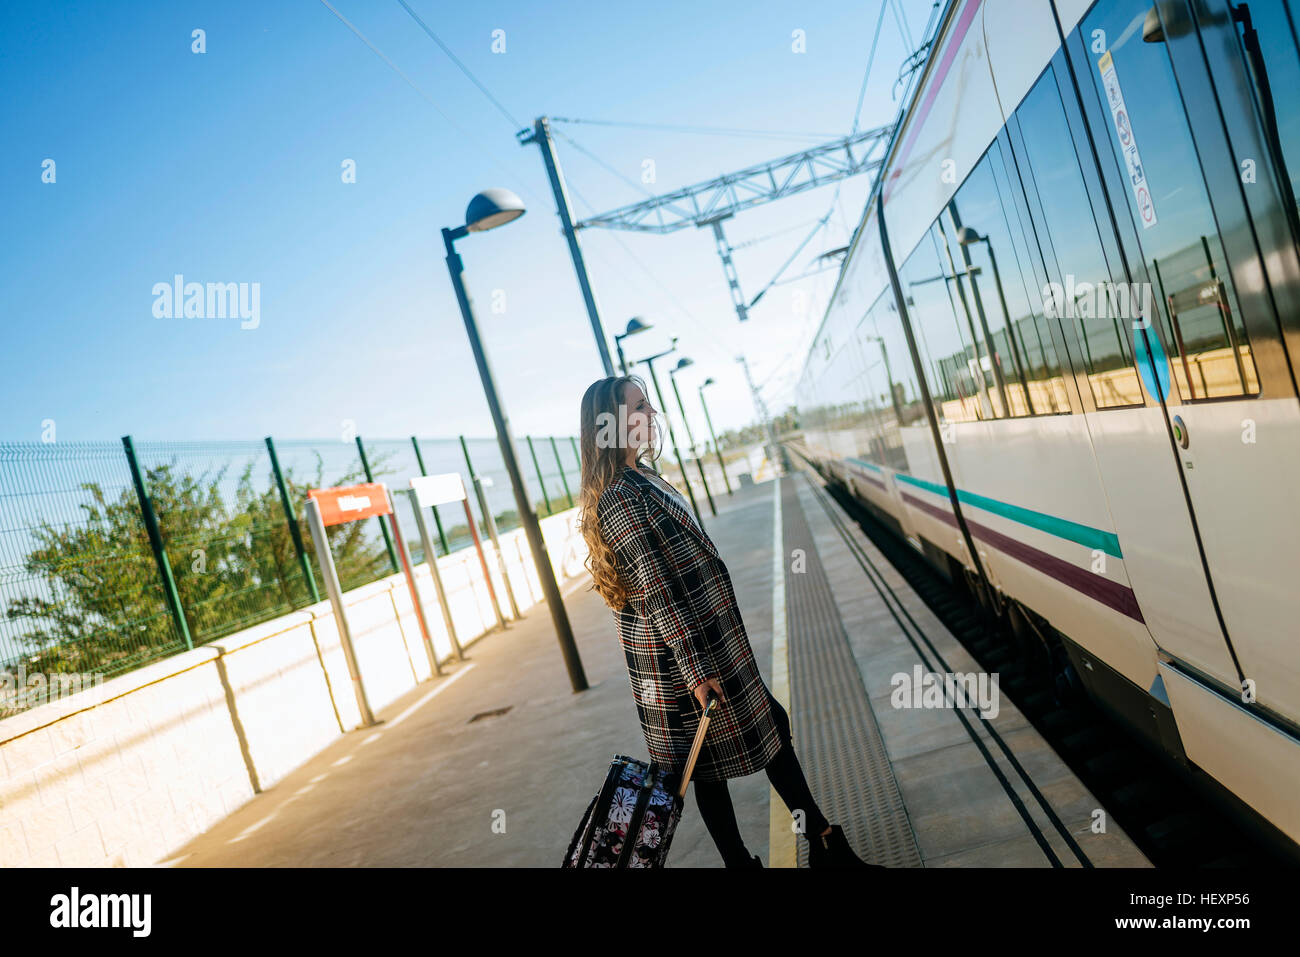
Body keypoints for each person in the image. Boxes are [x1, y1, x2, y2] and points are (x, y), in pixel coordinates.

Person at [576, 374, 879, 868]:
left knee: (726, 759)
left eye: (648, 405)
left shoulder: (641, 478)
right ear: (608, 425)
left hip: (710, 647)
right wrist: (696, 672)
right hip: (686, 663)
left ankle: (797, 849)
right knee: (739, 751)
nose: (650, 414)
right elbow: (658, 592)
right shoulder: (619, 497)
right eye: (638, 408)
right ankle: (821, 845)